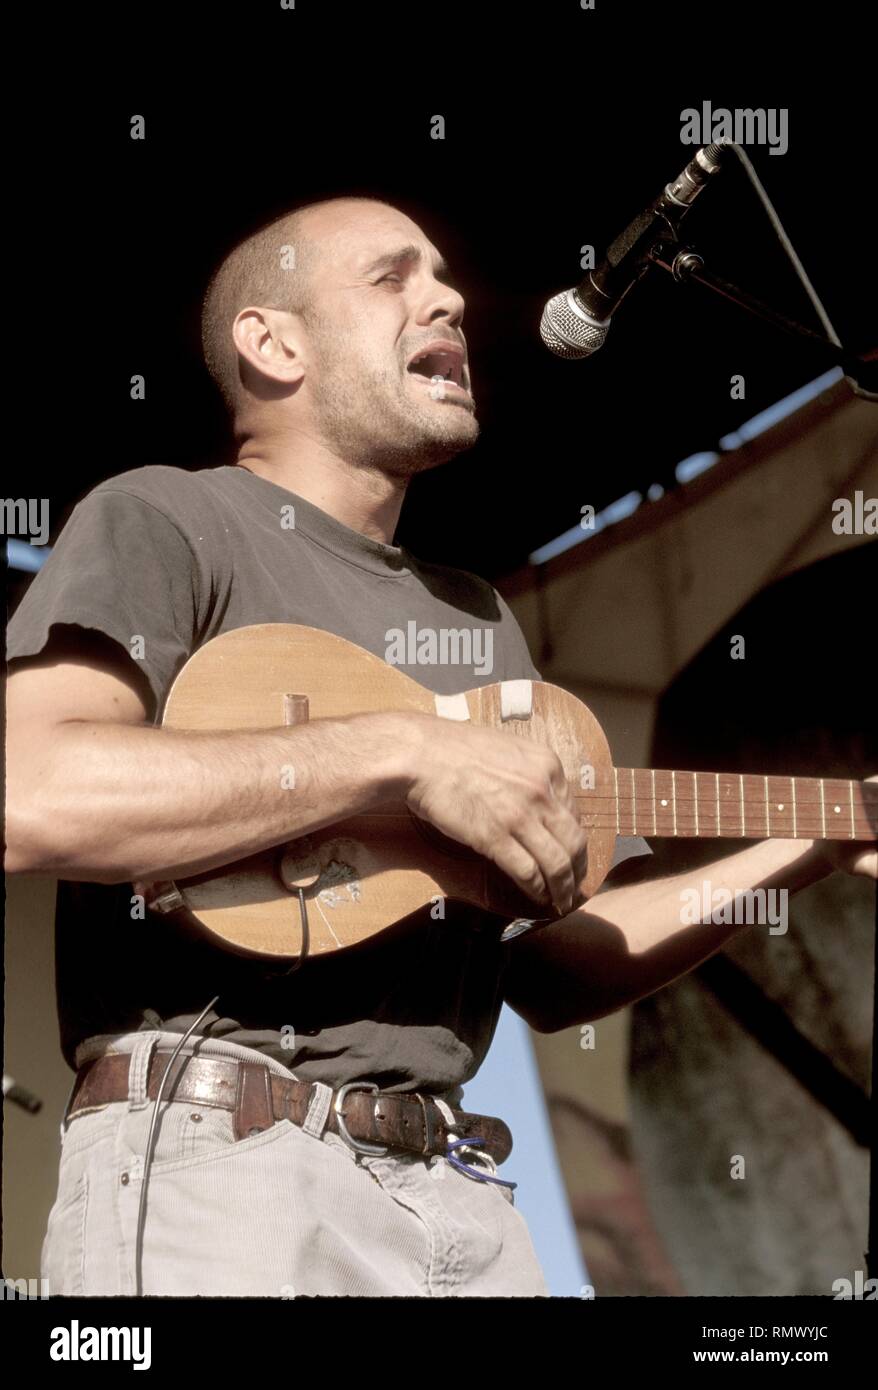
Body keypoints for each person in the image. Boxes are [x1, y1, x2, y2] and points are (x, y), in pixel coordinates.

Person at [5, 198, 875, 1298]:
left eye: (444, 279)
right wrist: (401, 750)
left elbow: (557, 961)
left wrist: (825, 830)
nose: (451, 298)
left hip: (457, 1193)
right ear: (272, 344)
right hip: (224, 1168)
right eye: (390, 276)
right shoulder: (164, 519)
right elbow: (32, 793)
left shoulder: (474, 621)